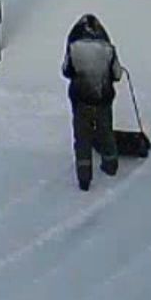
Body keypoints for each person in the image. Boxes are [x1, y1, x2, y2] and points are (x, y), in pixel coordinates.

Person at [61, 13, 124, 191]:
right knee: (105, 132)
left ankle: (84, 179)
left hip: (80, 100)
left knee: (82, 138)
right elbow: (117, 75)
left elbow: (66, 71)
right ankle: (110, 166)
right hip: (103, 99)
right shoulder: (108, 49)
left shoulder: (74, 47)